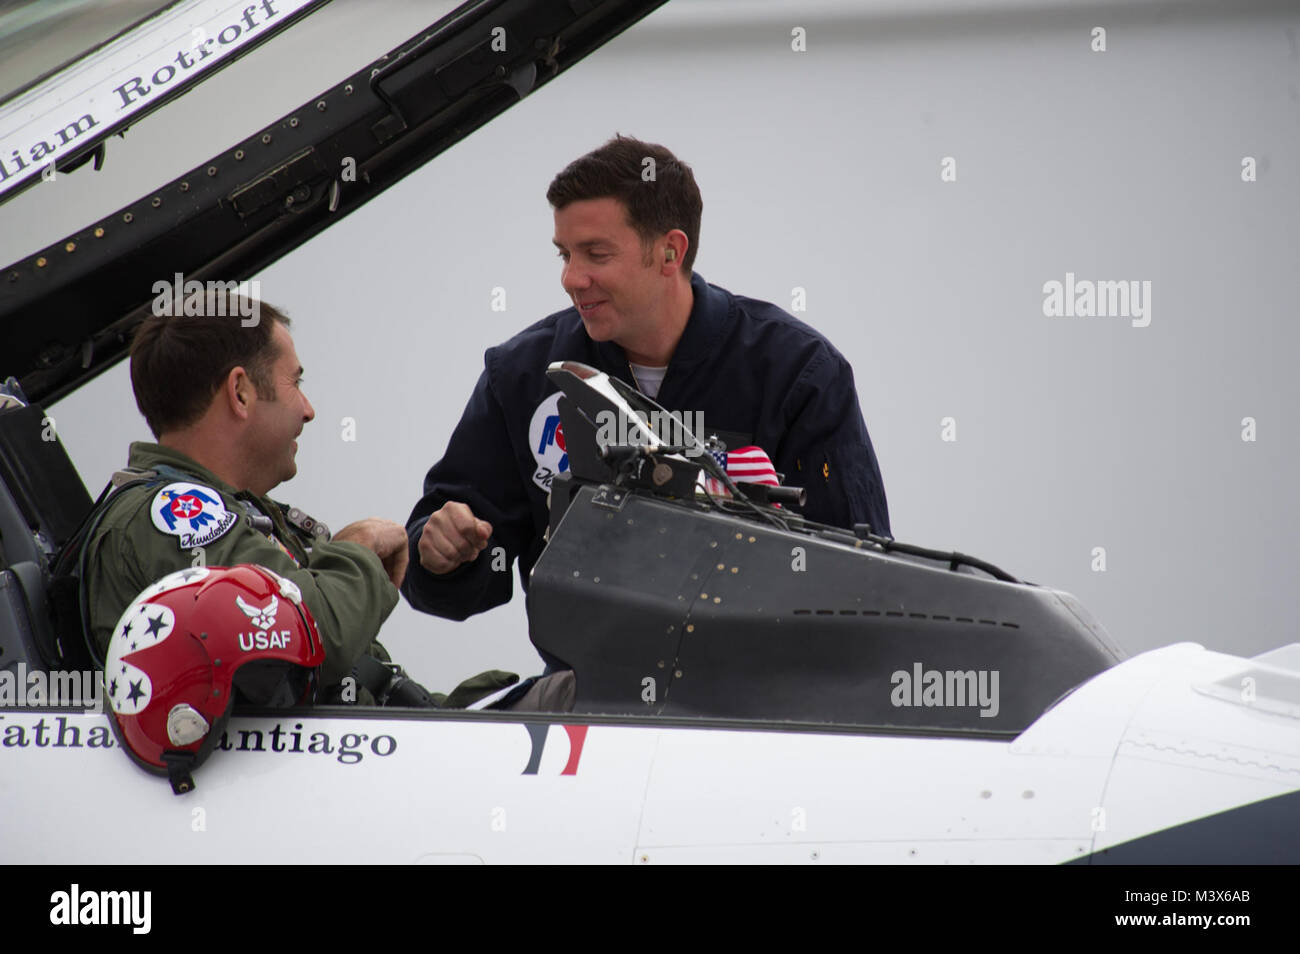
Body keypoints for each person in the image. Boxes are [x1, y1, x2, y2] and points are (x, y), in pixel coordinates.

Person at [403, 135, 890, 625]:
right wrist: (441, 554)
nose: (571, 278)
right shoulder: (522, 375)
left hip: (760, 690)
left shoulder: (798, 373)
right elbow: (449, 574)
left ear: (669, 253)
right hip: (583, 690)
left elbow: (860, 579)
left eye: (595, 253)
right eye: (564, 255)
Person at [79, 298, 410, 701]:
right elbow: (314, 635)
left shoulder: (229, 514)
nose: (308, 411)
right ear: (240, 391)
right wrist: (359, 549)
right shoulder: (176, 517)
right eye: (296, 383)